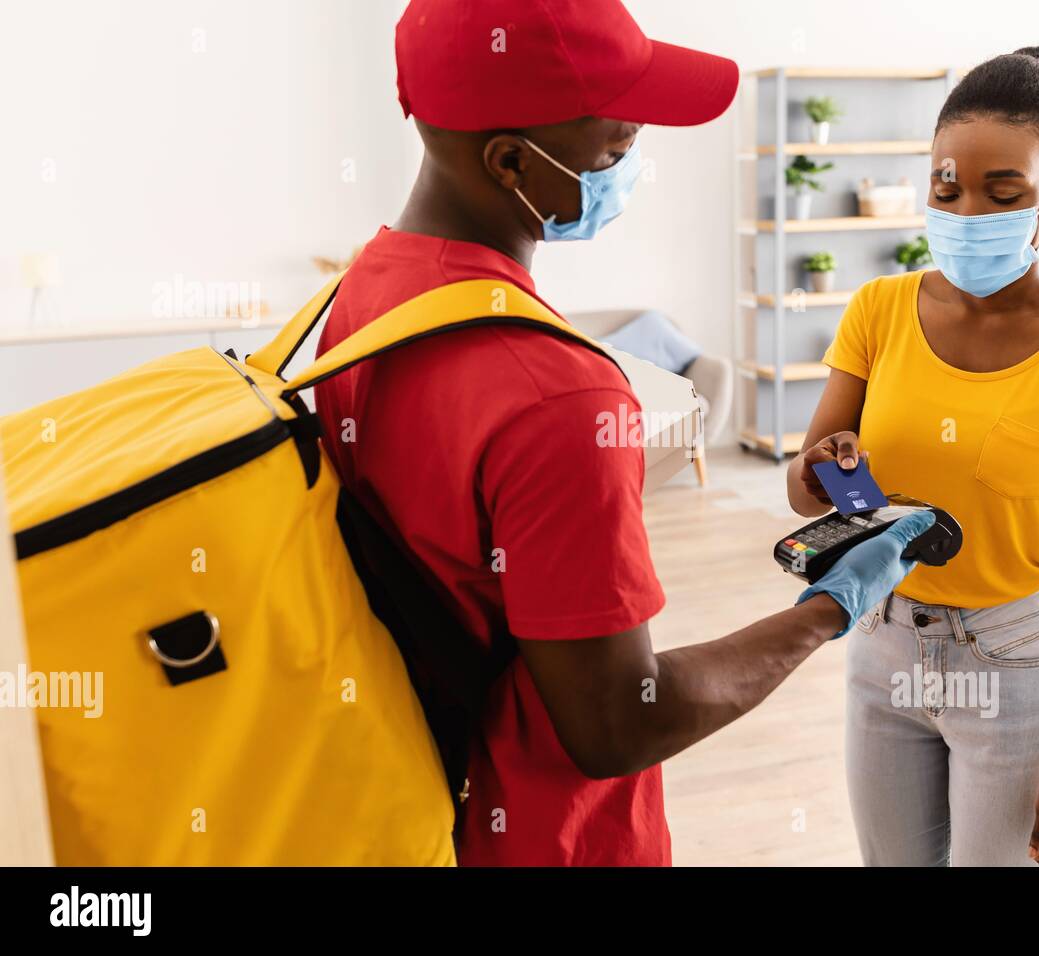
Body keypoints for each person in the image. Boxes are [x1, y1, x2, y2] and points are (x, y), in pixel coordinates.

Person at [314, 0, 934, 867]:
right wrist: (828, 608)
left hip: (421, 804)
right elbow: (619, 721)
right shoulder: (557, 395)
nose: (634, 158)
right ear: (507, 161)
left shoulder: (367, 293)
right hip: (547, 837)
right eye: (614, 151)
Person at [788, 46, 1039, 867]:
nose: (965, 215)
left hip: (1014, 666)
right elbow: (803, 490)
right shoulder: (879, 309)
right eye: (945, 189)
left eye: (1004, 195)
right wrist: (823, 462)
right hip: (881, 643)